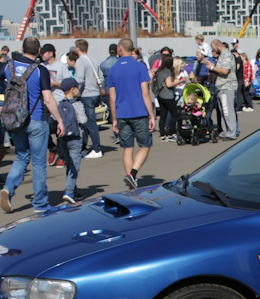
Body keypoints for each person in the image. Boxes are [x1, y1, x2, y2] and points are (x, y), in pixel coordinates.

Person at [0, 37, 65, 213]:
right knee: (38, 163)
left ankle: (9, 188)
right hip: (36, 120)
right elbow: (48, 98)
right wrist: (59, 119)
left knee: (21, 157)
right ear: (38, 51)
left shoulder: (8, 66)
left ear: (22, 49)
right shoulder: (40, 70)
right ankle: (40, 203)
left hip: (15, 119)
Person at [107, 38, 155, 189]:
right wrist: (152, 115)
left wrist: (114, 119)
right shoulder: (139, 67)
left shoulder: (113, 69)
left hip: (122, 113)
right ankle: (132, 174)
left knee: (127, 148)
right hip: (139, 112)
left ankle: (131, 181)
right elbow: (145, 93)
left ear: (120, 49)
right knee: (145, 145)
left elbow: (112, 98)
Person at [55, 77, 86, 205]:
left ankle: (74, 190)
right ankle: (68, 191)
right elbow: (83, 120)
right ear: (73, 89)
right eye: (77, 88)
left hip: (63, 138)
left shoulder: (60, 104)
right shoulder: (77, 104)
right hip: (76, 138)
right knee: (75, 166)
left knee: (69, 164)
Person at [199, 39, 237, 140]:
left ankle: (231, 132)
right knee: (223, 111)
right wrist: (211, 65)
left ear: (219, 46)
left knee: (227, 111)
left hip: (227, 86)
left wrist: (212, 68)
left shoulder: (227, 55)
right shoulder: (222, 56)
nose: (214, 51)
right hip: (221, 87)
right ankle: (225, 131)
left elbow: (225, 71)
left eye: (214, 49)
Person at [73, 39, 102, 159]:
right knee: (87, 123)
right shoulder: (93, 60)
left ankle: (96, 148)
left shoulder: (80, 61)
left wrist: (75, 91)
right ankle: (84, 147)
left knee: (89, 123)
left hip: (87, 94)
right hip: (95, 93)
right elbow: (100, 77)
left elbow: (80, 80)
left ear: (77, 48)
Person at [153, 53, 180, 141]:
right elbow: (169, 84)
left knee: (163, 115)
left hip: (160, 95)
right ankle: (171, 133)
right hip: (168, 96)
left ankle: (162, 134)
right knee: (174, 114)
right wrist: (178, 82)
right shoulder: (167, 71)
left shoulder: (159, 71)